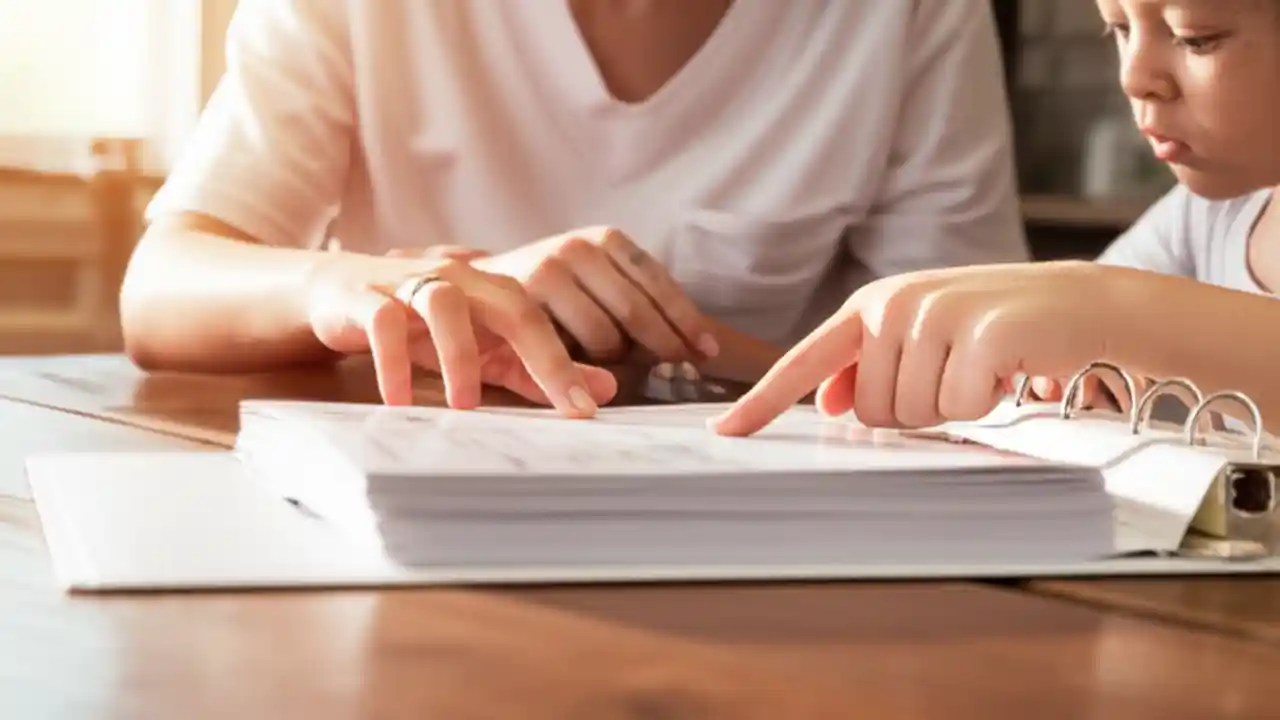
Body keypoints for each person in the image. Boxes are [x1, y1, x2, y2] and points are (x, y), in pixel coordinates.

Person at [120, 0, 1027, 417]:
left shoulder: (911, 15)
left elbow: (984, 354)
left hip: (771, 547)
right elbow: (162, 291)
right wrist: (399, 288)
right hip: (407, 494)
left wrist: (651, 342)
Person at [712, 0, 1280, 437]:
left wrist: (1115, 309)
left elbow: (1106, 312)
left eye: (1195, 38)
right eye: (1120, 29)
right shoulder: (1205, 218)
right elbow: (1072, 354)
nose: (1135, 77)